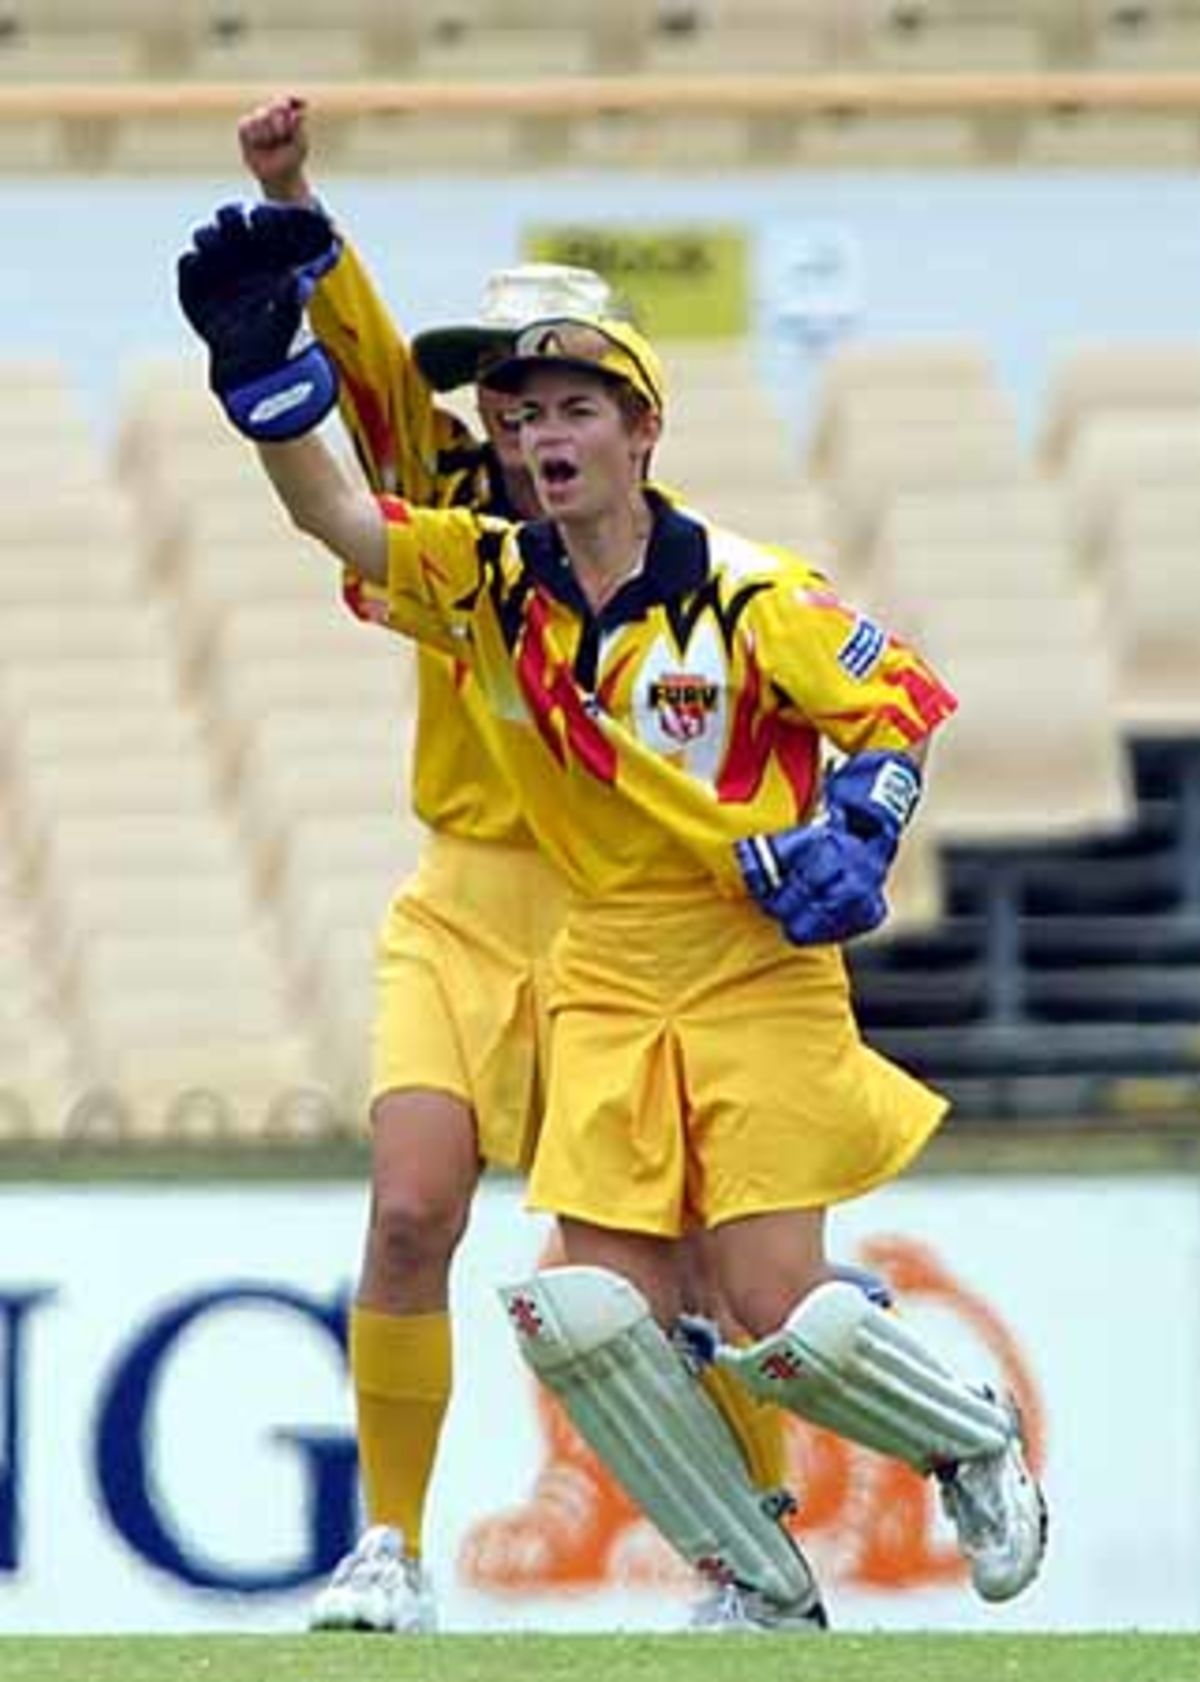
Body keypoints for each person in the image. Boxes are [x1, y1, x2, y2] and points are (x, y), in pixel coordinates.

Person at [176, 206, 1048, 1619]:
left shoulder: (745, 590)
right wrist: (269, 395)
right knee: (588, 1316)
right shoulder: (496, 580)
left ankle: (973, 1434)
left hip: (750, 963)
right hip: (603, 972)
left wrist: (861, 827)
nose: (542, 435)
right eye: (522, 415)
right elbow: (338, 511)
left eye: (576, 408)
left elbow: (900, 701)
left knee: (774, 1306)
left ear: (643, 431)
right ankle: (755, 1577)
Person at [234, 99, 798, 1635]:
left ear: (614, 401)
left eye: (543, 384)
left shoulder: (656, 557)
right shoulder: (454, 514)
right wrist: (298, 208)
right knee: (412, 1207)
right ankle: (391, 1549)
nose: (511, 410)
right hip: (465, 898)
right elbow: (355, 393)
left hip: (619, 915)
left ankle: (751, 1556)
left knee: (664, 1262)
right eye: (497, 387)